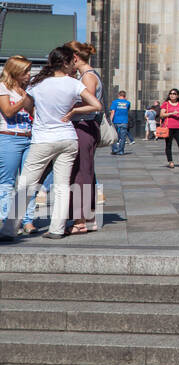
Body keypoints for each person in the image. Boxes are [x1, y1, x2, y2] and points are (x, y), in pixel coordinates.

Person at [17, 46, 102, 239]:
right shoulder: (73, 84)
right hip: (68, 137)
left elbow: (28, 104)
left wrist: (37, 115)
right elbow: (96, 105)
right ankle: (56, 228)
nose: (74, 65)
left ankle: (9, 227)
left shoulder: (37, 83)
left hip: (43, 139)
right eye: (72, 61)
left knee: (26, 183)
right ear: (66, 62)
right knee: (63, 186)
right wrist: (73, 112)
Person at [65, 42, 102, 234]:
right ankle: (89, 215)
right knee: (86, 171)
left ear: (76, 58)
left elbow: (91, 102)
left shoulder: (88, 76)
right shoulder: (87, 74)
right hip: (85, 126)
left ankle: (80, 221)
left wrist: (70, 111)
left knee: (81, 172)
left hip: (84, 126)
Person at [0, 56, 36, 239]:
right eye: (26, 71)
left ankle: (28, 219)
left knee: (28, 181)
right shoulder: (3, 87)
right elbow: (7, 112)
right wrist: (25, 100)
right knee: (7, 182)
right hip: (9, 137)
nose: (29, 75)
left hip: (28, 137)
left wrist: (30, 103)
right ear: (15, 71)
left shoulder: (27, 89)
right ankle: (8, 220)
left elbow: (33, 114)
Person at [160, 89, 179, 168]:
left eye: (174, 94)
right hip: (168, 127)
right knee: (168, 144)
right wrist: (171, 113)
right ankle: (170, 161)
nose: (172, 95)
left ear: (177, 96)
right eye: (170, 93)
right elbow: (161, 115)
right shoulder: (166, 104)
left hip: (178, 126)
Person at [109, 90, 132, 156]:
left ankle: (115, 149)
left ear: (119, 95)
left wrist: (110, 120)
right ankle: (121, 151)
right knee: (123, 137)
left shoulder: (114, 102)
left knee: (114, 136)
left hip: (116, 121)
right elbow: (127, 110)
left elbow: (113, 112)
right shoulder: (128, 103)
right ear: (125, 96)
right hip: (124, 121)